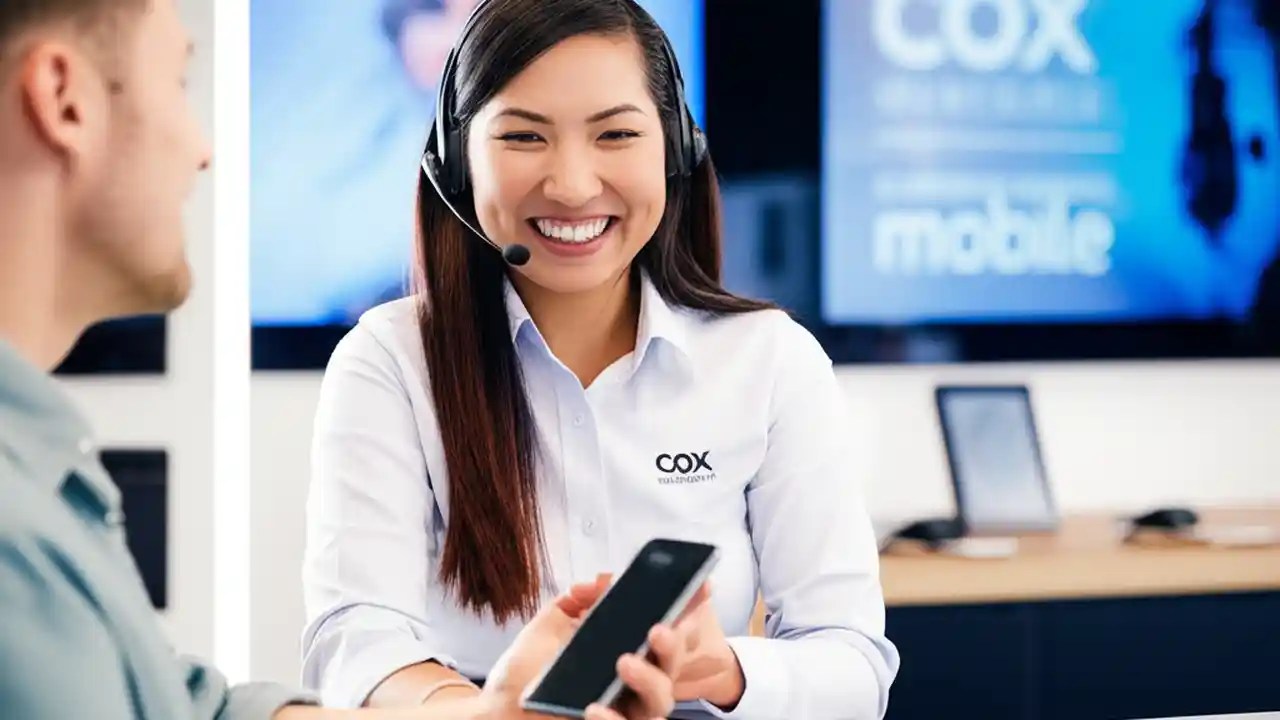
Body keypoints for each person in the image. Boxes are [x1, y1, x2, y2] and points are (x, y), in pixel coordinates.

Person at [0, 1, 691, 719]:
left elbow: (187, 708)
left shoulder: (44, 477)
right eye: (177, 83)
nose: (202, 147)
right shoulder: (16, 528)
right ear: (65, 100)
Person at [301, 0, 901, 717]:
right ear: (458, 161)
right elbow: (356, 640)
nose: (574, 185)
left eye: (615, 133)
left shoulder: (771, 362)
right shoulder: (390, 361)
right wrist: (492, 714)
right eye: (524, 137)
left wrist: (722, 670)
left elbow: (852, 663)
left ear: (674, 149)